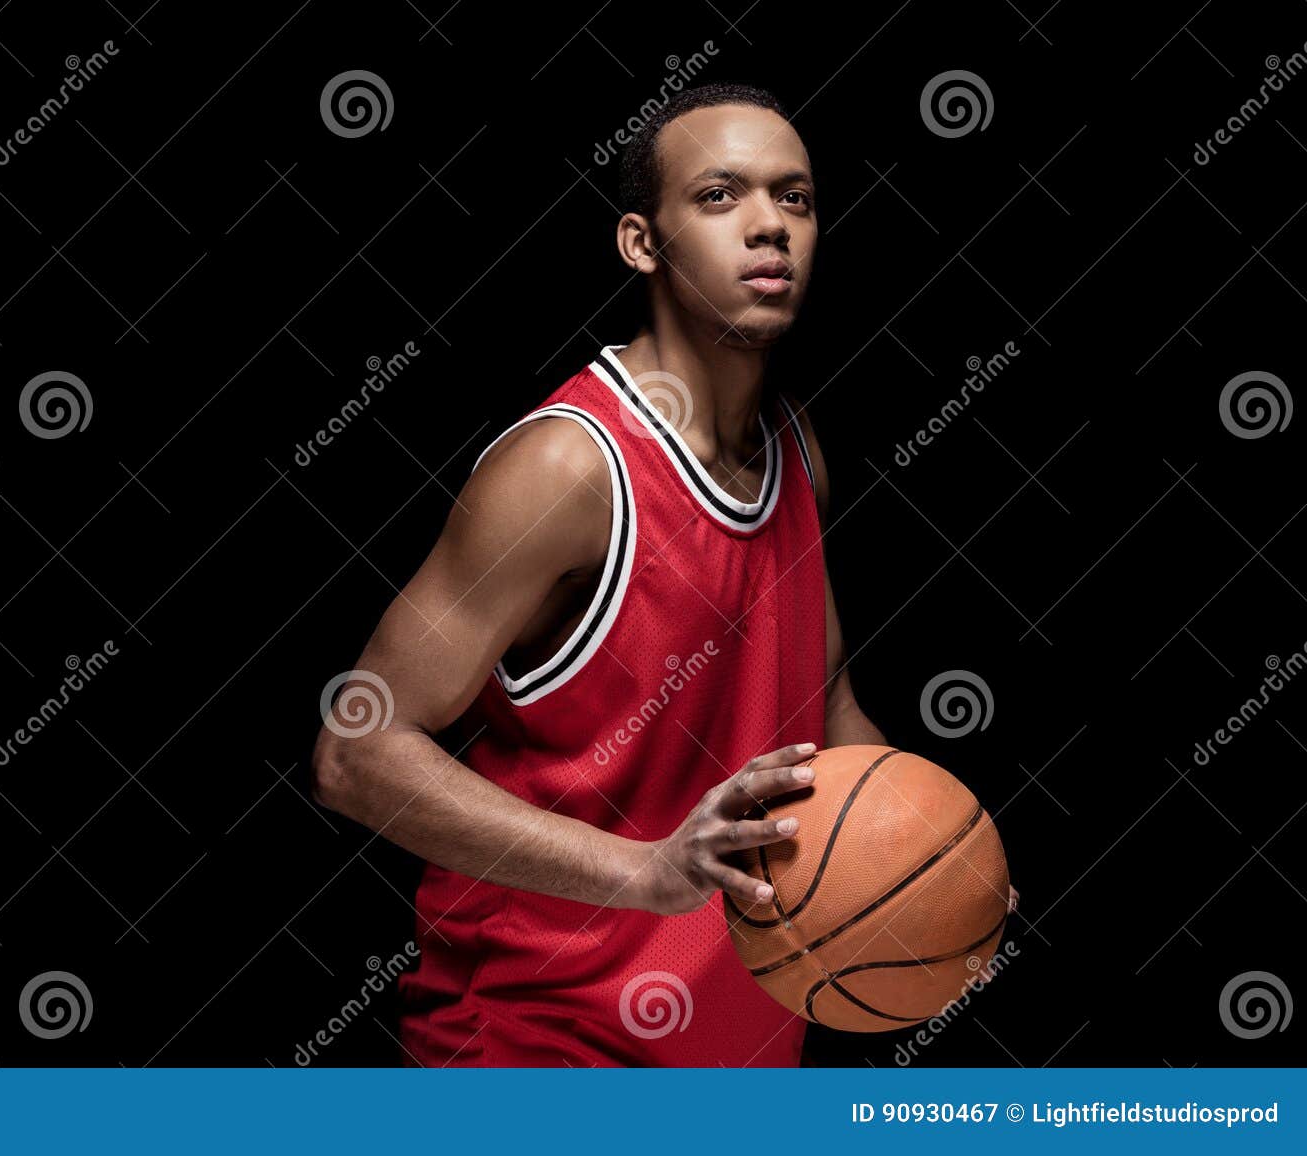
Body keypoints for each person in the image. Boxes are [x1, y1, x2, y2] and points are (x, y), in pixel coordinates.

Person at [311, 83, 1016, 1067]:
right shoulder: (568, 469)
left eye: (795, 198)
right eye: (721, 196)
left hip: (738, 1047)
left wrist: (943, 865)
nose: (768, 224)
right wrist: (648, 873)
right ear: (642, 242)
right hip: (540, 1048)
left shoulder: (792, 447)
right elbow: (358, 751)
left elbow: (822, 704)